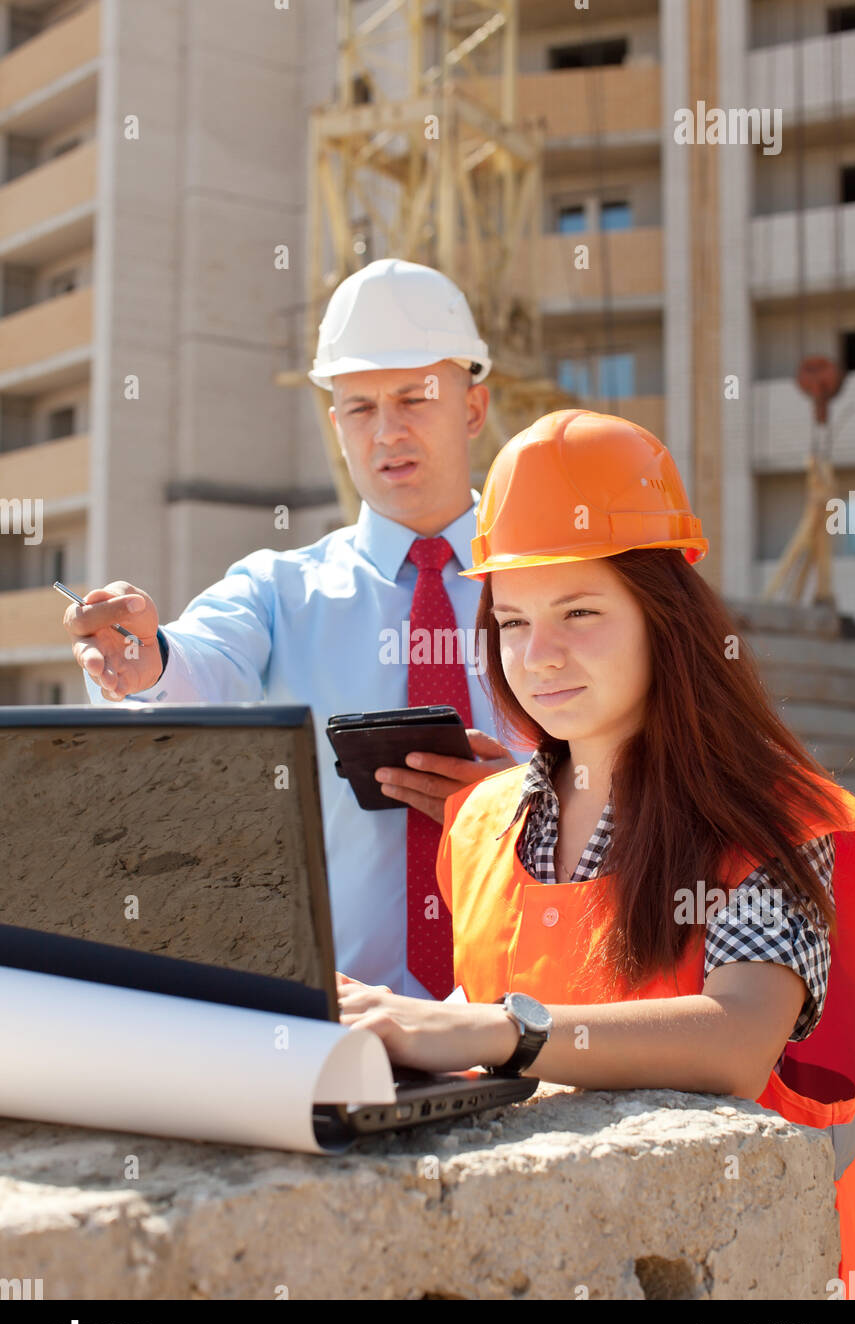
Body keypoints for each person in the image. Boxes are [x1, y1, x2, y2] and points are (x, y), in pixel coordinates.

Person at [337, 408, 855, 1294]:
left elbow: (736, 1039)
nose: (539, 656)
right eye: (511, 622)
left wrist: (495, 1027)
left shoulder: (785, 820)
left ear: (667, 621)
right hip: (525, 1256)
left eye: (580, 611)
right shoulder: (480, 822)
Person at [62, 258, 526, 998]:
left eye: (413, 399)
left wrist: (527, 800)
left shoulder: (548, 584)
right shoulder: (279, 590)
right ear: (335, 420)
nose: (388, 433)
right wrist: (140, 663)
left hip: (533, 1021)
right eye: (360, 407)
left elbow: (634, 779)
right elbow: (197, 668)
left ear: (473, 409)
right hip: (341, 1025)